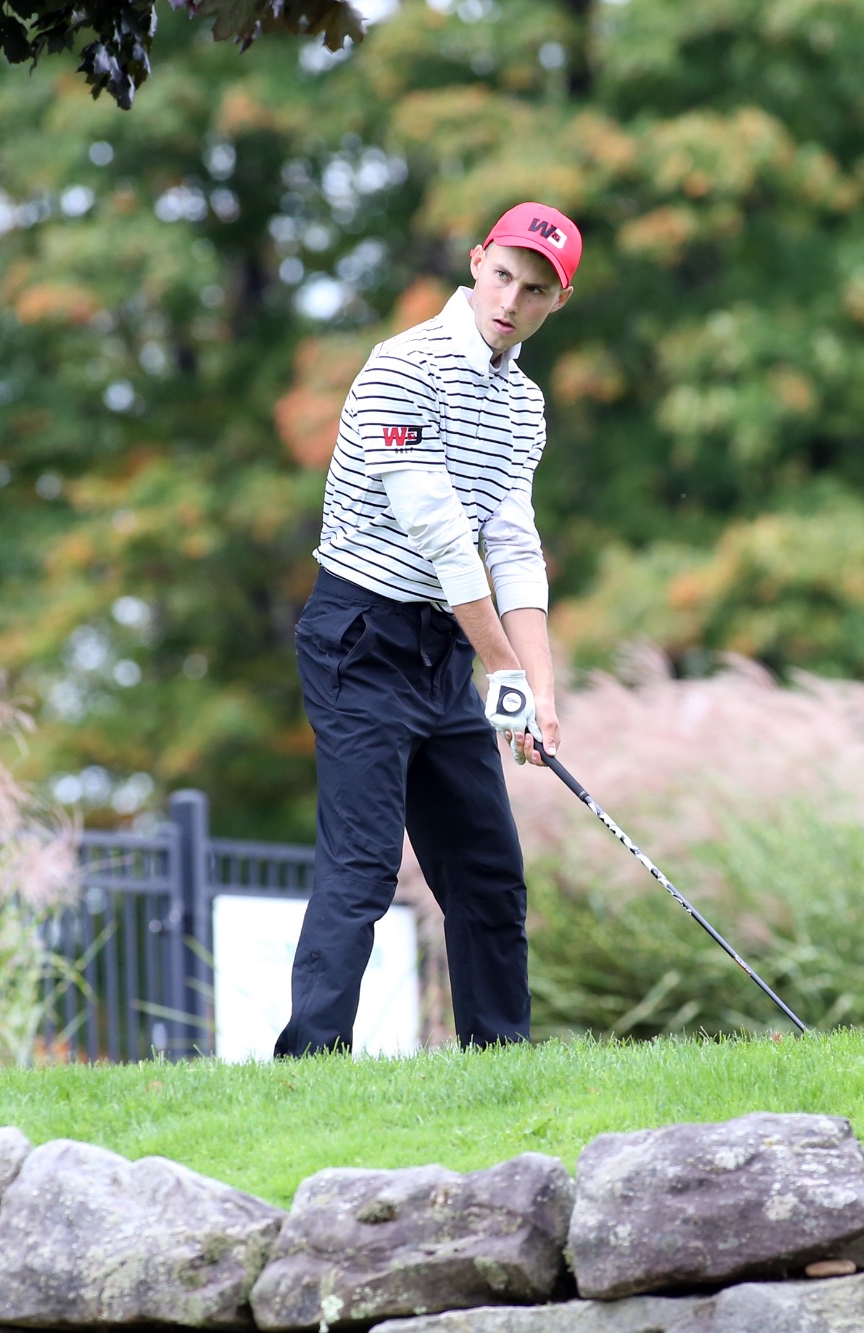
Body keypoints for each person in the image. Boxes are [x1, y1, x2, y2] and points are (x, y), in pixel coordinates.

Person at [274, 201, 581, 1057]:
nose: (511, 301)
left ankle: (502, 1064)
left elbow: (513, 544)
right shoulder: (401, 368)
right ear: (478, 261)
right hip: (360, 638)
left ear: (557, 303)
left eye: (535, 291)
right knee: (364, 862)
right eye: (503, 276)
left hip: (444, 654)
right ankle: (309, 1063)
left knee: (487, 873)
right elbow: (443, 536)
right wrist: (503, 670)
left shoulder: (524, 406)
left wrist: (540, 692)